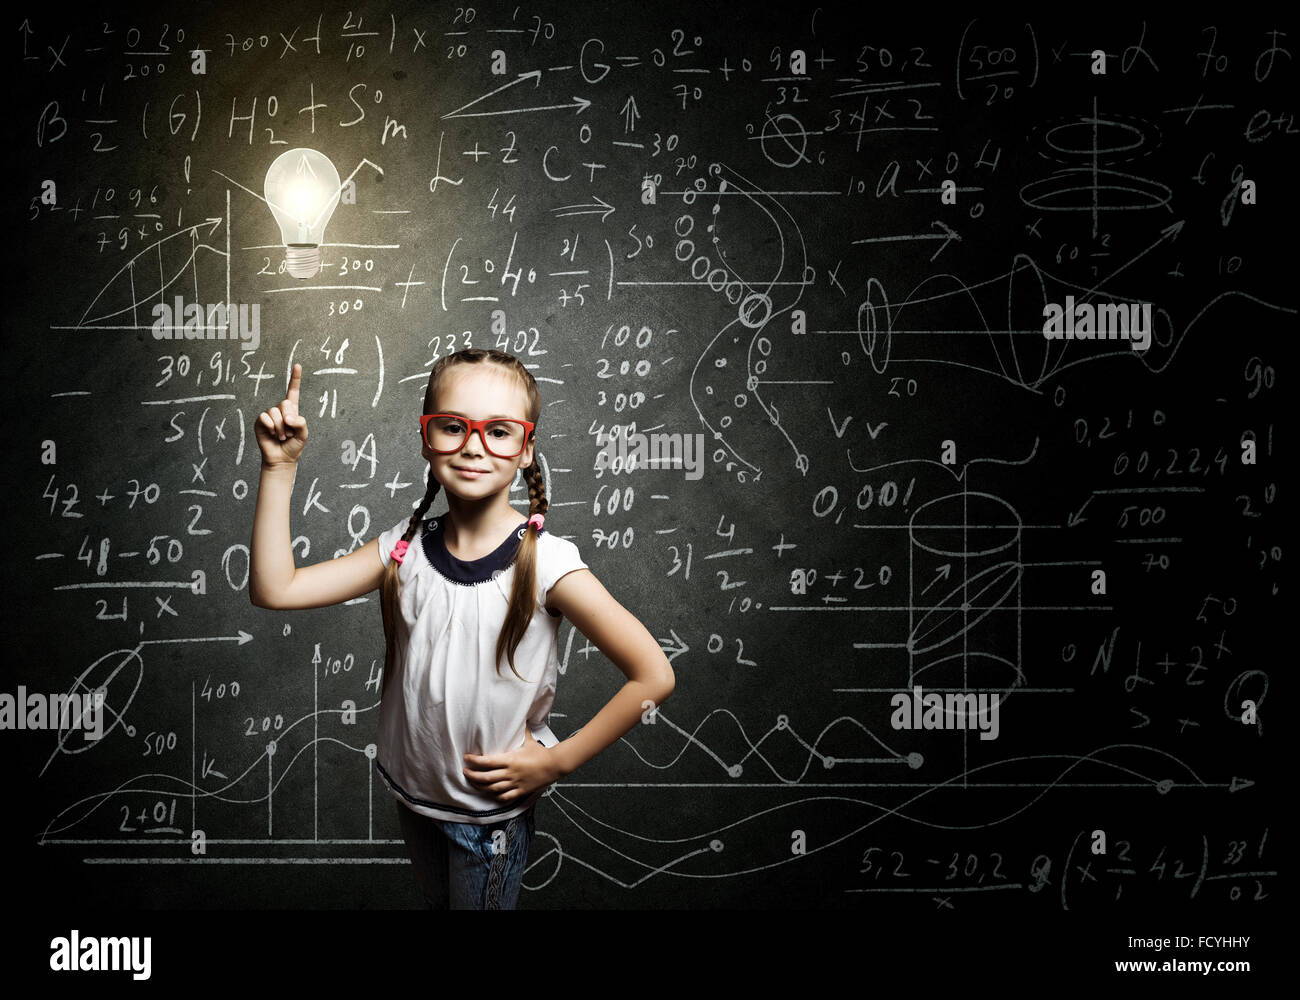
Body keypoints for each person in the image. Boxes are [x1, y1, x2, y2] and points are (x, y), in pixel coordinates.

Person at [249, 349, 675, 909]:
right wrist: (280, 469)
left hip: (488, 822)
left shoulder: (548, 562)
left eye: (499, 431)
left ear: (525, 450)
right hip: (415, 799)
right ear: (427, 439)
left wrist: (556, 760)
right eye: (453, 426)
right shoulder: (403, 547)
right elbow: (275, 588)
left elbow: (653, 676)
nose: (473, 445)